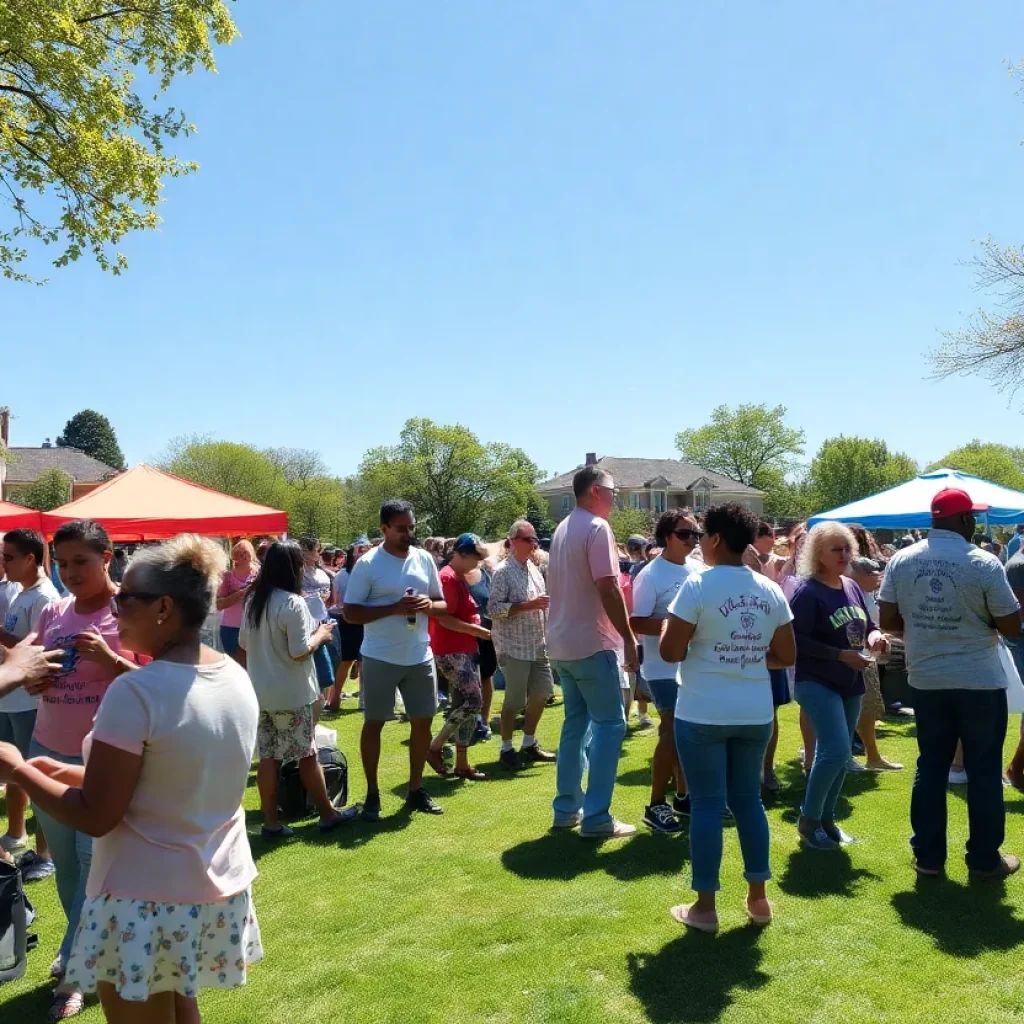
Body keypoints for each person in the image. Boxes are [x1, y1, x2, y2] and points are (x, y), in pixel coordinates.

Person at [0, 534, 264, 1023]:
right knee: (184, 1011)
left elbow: (98, 814)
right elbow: (169, 775)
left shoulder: (137, 691)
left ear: (164, 607)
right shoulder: (232, 674)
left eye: (126, 600)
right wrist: (57, 770)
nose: (115, 608)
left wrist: (16, 769)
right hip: (210, 886)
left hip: (144, 898)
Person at [660, 503, 796, 932]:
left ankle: (705, 908)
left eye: (702, 535)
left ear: (716, 539)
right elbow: (787, 655)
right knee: (748, 802)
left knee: (705, 805)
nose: (699, 542)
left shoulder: (697, 586)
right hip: (754, 711)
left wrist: (693, 641)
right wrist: (749, 657)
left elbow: (670, 651)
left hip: (702, 710)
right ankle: (759, 900)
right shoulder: (769, 589)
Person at [879, 487, 1022, 879]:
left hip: (926, 679)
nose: (974, 522)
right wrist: (982, 622)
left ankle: (928, 857)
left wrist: (927, 631)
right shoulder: (983, 563)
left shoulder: (901, 560)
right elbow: (1012, 626)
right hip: (979, 681)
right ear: (963, 520)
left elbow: (887, 621)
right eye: (972, 516)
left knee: (932, 765)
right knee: (984, 770)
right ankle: (983, 861)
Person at [31, 519, 137, 1020]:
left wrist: (111, 658)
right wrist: (35, 679)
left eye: (82, 562)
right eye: (63, 562)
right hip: (45, 748)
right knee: (68, 869)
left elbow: (159, 682)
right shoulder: (53, 610)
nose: (70, 572)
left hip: (104, 759)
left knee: (95, 867)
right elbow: (32, 663)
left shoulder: (131, 610)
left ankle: (77, 973)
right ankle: (80, 942)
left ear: (108, 557)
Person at [239, 540, 355, 838]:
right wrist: (321, 634)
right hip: (292, 692)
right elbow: (299, 651)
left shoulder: (254, 600)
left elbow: (242, 643)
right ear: (293, 568)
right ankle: (328, 813)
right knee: (307, 754)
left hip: (260, 692)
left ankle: (271, 822)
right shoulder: (292, 602)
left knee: (269, 757)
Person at [547, 465, 638, 839]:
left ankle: (567, 808)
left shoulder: (563, 527)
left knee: (576, 725)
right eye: (613, 491)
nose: (616, 497)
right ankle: (597, 817)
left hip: (563, 644)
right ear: (597, 491)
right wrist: (629, 638)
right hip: (591, 643)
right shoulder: (596, 527)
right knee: (610, 725)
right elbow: (608, 587)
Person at [342, 500, 447, 821]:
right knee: (374, 723)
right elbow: (350, 613)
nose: (408, 533)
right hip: (379, 656)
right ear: (384, 529)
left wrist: (429, 603)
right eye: (401, 528)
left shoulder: (424, 558)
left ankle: (415, 789)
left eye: (411, 527)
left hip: (419, 655)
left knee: (423, 722)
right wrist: (394, 607)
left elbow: (442, 605)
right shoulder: (368, 564)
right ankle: (372, 793)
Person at [789, 523, 887, 851]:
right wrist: (839, 655)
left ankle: (827, 821)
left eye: (846, 548)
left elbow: (868, 624)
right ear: (818, 553)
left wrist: (875, 637)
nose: (844, 555)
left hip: (851, 680)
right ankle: (808, 819)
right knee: (834, 751)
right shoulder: (808, 592)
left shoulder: (851, 585)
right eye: (836, 549)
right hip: (816, 680)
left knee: (841, 754)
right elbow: (795, 641)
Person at [630, 510, 698, 833]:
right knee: (671, 731)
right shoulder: (650, 575)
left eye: (696, 535)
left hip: (693, 667)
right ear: (667, 536)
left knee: (684, 733)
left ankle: (684, 797)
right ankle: (657, 804)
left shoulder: (698, 570)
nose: (692, 541)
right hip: (662, 668)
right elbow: (637, 621)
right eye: (685, 534)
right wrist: (676, 627)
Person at [0, 528, 59, 881]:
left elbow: (42, 652)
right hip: (10, 699)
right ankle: (17, 834)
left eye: (8, 557)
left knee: (35, 773)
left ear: (30, 559)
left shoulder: (44, 598)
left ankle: (46, 853)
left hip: (28, 701)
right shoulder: (21, 593)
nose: (2, 563)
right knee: (11, 771)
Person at [488, 520, 557, 770]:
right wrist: (529, 605)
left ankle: (528, 743)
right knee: (515, 701)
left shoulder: (534, 569)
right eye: (528, 539)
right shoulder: (502, 571)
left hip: (538, 644)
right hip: (514, 646)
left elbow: (542, 604)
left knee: (542, 693)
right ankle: (506, 748)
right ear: (513, 541)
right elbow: (493, 610)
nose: (533, 544)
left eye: (534, 539)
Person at [426, 534, 493, 780]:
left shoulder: (458, 577)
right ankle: (434, 747)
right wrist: (479, 631)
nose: (478, 562)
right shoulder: (447, 578)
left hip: (464, 648)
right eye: (476, 556)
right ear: (462, 554)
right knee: (474, 702)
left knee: (465, 704)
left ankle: (462, 764)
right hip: (450, 649)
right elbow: (444, 618)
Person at [847, 556, 902, 772]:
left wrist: (879, 637)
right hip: (851, 659)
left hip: (867, 658)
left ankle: (872, 756)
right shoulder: (848, 593)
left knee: (868, 710)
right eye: (873, 573)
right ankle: (844, 756)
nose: (878, 576)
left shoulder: (866, 594)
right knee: (852, 710)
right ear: (857, 574)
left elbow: (872, 626)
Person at [326, 536, 371, 711]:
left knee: (365, 662)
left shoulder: (370, 573)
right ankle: (334, 698)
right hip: (346, 622)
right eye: (359, 551)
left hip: (366, 622)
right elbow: (337, 602)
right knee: (345, 662)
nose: (362, 555)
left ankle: (365, 701)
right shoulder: (342, 576)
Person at [299, 536, 336, 705]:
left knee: (329, 668)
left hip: (324, 621)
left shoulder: (323, 573)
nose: (318, 553)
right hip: (305, 625)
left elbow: (330, 600)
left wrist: (325, 599)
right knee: (316, 668)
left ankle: (321, 702)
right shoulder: (297, 574)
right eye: (315, 549)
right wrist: (315, 597)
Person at [462, 557, 496, 744]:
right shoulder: (453, 577)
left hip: (486, 635)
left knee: (486, 676)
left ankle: (484, 721)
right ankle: (466, 724)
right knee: (466, 681)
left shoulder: (486, 575)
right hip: (463, 635)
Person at [216, 539, 258, 666]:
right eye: (240, 552)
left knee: (252, 666)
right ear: (234, 556)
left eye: (246, 552)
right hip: (231, 628)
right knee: (238, 666)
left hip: (254, 627)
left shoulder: (260, 574)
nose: (244, 555)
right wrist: (242, 593)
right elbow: (219, 604)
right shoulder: (227, 577)